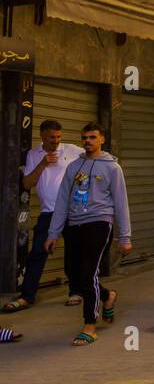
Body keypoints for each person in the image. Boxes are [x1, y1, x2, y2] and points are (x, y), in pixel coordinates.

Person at [44, 123, 132, 347]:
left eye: (92, 137)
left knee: (89, 271)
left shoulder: (112, 168)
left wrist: (125, 236)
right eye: (84, 137)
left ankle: (90, 325)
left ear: (102, 139)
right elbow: (62, 200)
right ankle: (107, 296)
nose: (88, 141)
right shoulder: (74, 167)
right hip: (74, 224)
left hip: (100, 222)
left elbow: (121, 203)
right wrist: (52, 233)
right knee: (74, 274)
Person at [3, 119, 83, 314]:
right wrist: (42, 164)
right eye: (51, 137)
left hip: (71, 211)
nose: (56, 141)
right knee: (38, 252)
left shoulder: (72, 150)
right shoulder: (33, 155)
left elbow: (96, 156)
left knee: (73, 252)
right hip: (48, 212)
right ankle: (27, 296)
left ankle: (75, 292)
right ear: (42, 136)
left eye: (58, 137)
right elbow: (28, 184)